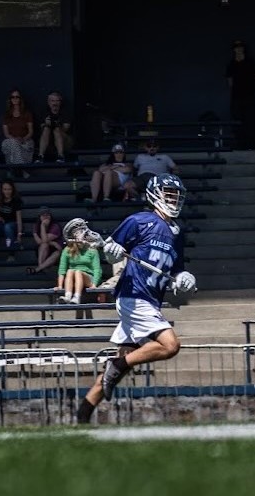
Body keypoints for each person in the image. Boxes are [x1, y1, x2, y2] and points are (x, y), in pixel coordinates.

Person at [75, 174, 193, 424]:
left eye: (176, 195)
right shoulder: (139, 221)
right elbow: (111, 252)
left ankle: (83, 415)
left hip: (150, 300)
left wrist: (184, 278)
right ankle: (116, 365)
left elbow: (176, 269)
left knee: (121, 366)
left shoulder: (176, 232)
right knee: (170, 345)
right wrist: (113, 252)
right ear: (154, 194)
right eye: (169, 194)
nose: (173, 199)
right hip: (134, 295)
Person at [225, 40, 255, 149]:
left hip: (250, 97)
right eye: (237, 47)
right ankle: (240, 146)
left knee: (251, 122)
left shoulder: (251, 62)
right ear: (234, 50)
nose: (239, 49)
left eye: (240, 47)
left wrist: (252, 87)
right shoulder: (231, 64)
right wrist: (237, 89)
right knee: (237, 122)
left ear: (243, 49)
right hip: (237, 98)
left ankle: (251, 145)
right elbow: (230, 81)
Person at [57, 235, 102, 304]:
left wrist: (94, 284)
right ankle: (68, 296)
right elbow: (62, 269)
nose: (80, 243)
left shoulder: (92, 250)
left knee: (78, 272)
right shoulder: (67, 250)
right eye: (78, 242)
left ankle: (77, 297)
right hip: (72, 276)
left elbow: (97, 269)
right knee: (70, 271)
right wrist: (60, 285)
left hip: (88, 277)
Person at [35, 91, 72, 163]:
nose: (55, 103)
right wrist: (47, 124)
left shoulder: (65, 112)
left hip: (65, 141)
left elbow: (66, 128)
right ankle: (40, 156)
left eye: (57, 101)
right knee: (46, 129)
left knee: (56, 130)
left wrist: (56, 125)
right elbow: (41, 127)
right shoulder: (44, 112)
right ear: (48, 102)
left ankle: (61, 156)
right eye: (52, 101)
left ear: (60, 102)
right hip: (48, 142)